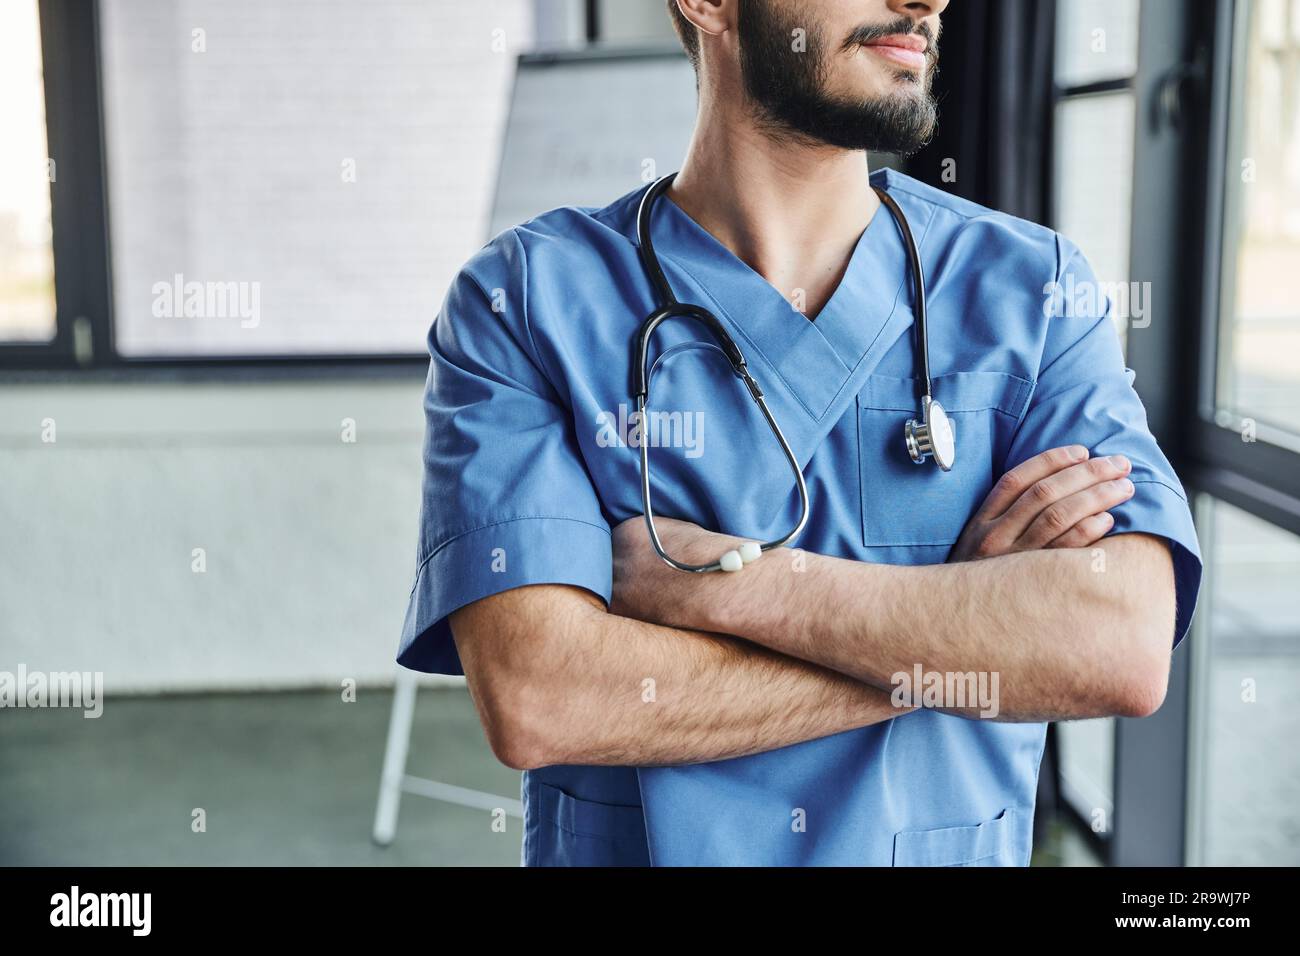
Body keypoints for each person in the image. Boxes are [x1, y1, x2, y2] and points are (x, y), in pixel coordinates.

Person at [398, 0, 1202, 866]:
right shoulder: (524, 301)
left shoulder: (1029, 288)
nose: (925, 2)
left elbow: (1119, 645)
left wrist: (733, 591)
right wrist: (963, 633)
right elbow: (540, 697)